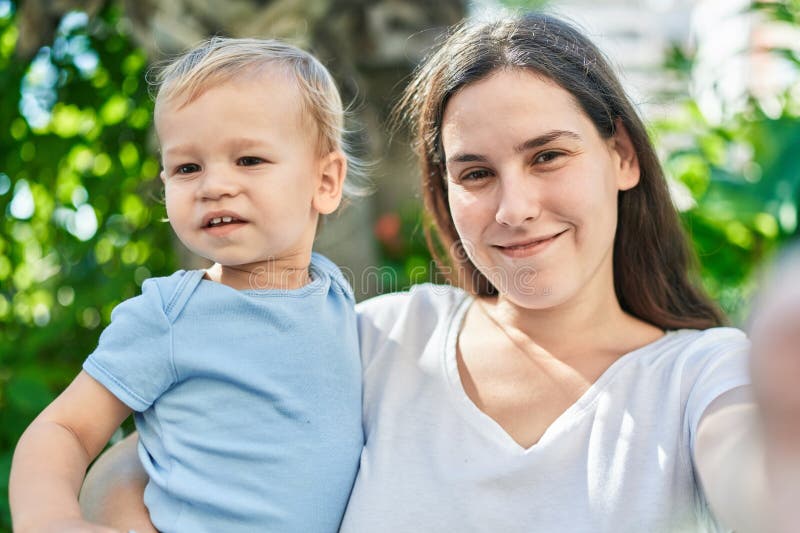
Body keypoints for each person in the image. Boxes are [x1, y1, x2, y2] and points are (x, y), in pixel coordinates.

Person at [76, 12, 799, 533]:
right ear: (445, 193)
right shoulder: (380, 339)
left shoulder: (700, 374)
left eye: (548, 155)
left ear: (623, 157)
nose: (515, 207)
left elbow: (757, 477)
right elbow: (132, 466)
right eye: (476, 172)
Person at [9, 37, 364, 533]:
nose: (213, 185)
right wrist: (49, 518)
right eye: (187, 167)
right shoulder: (171, 313)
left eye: (249, 161)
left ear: (325, 182)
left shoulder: (335, 296)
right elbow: (64, 427)